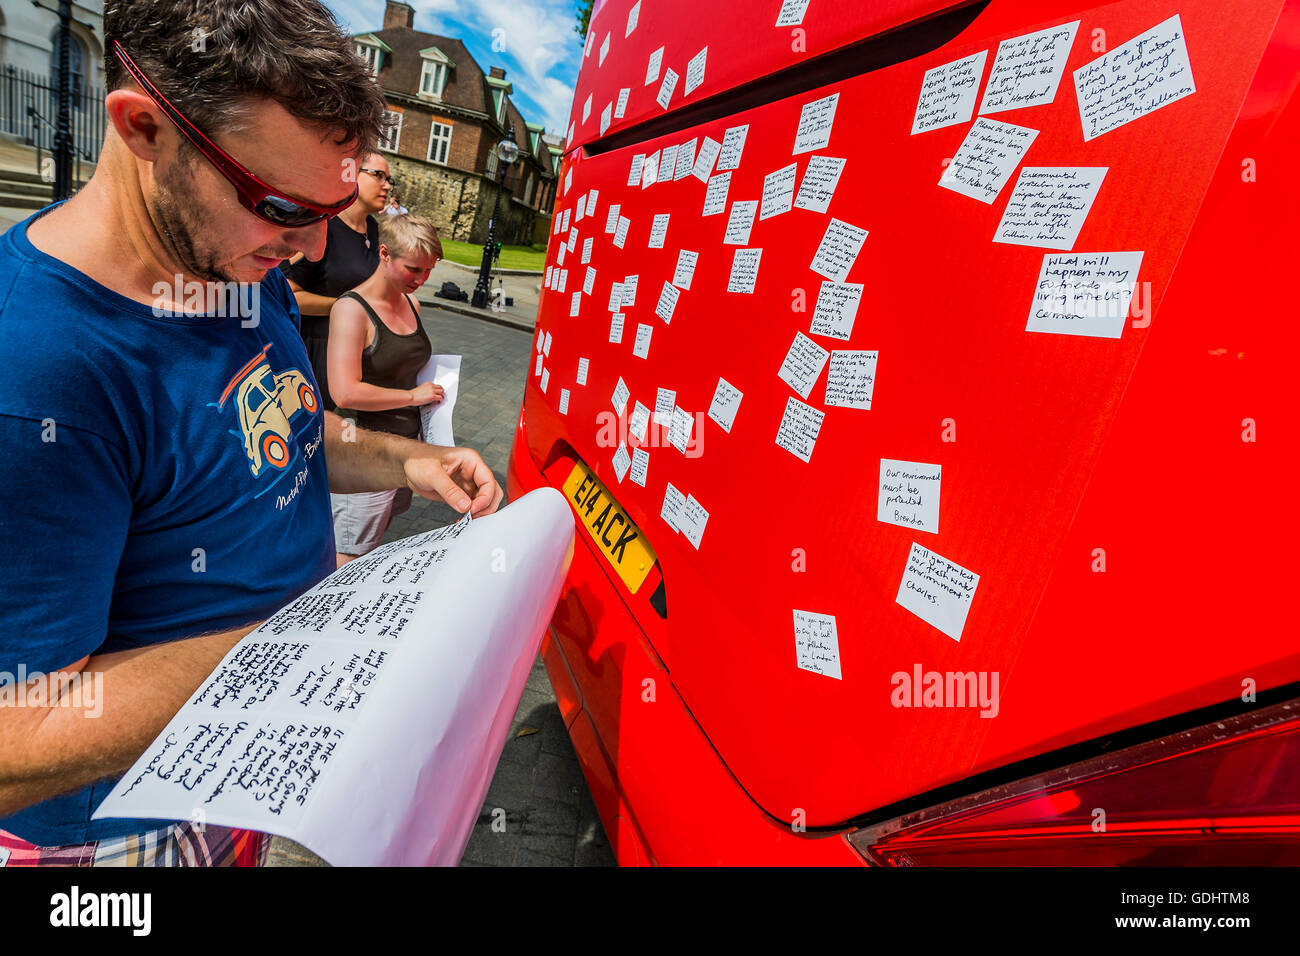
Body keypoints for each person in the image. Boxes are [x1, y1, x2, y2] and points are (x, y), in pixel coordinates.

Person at [0, 0, 501, 867]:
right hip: (122, 832)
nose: (311, 245)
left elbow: (289, 431)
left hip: (234, 766)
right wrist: (316, 645)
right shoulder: (35, 367)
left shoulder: (230, 258)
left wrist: (409, 458)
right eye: (281, 203)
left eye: (335, 205)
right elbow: (17, 737)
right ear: (145, 126)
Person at [329, 214, 443, 565]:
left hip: (403, 446)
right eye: (413, 269)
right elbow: (344, 393)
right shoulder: (351, 309)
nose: (422, 280)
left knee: (375, 538)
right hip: (362, 450)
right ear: (384, 254)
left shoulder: (413, 304)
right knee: (348, 552)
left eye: (428, 271)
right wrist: (413, 397)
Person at [279, 152, 392, 410]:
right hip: (315, 350)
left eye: (389, 179)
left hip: (354, 353)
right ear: (351, 174)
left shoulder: (374, 229)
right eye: (378, 176)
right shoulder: (324, 225)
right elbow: (290, 295)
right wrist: (349, 309)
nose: (386, 185)